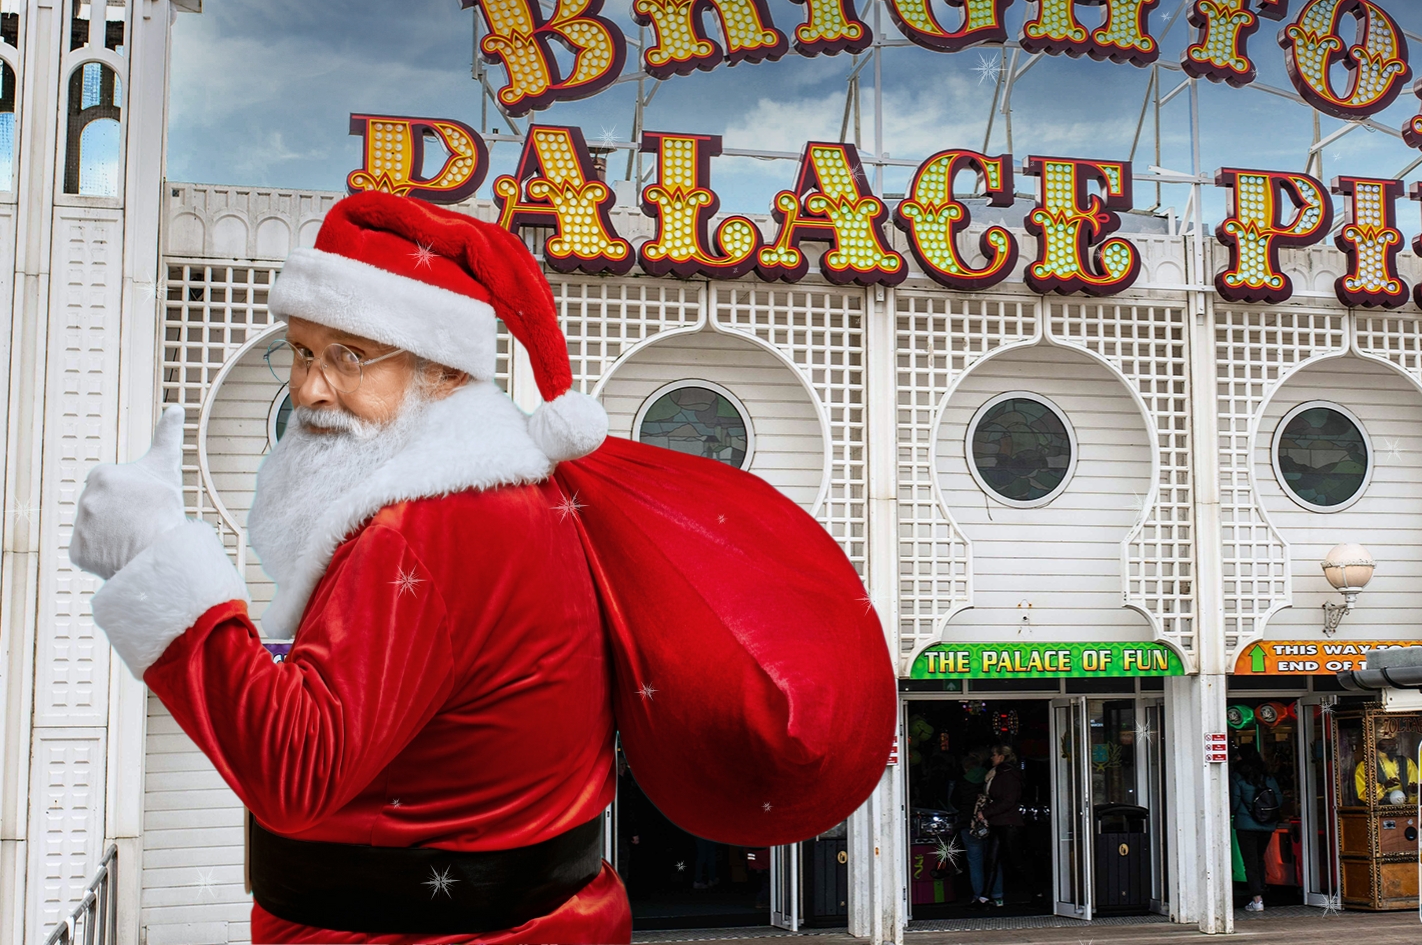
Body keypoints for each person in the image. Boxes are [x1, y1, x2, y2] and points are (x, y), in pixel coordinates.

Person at [70, 192, 896, 943]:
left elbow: (300, 767)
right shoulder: (509, 498)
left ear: (443, 369)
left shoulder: (424, 530)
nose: (311, 390)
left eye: (351, 356)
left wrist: (156, 556)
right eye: (300, 351)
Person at [974, 744, 1025, 908]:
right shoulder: (999, 773)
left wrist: (986, 812)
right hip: (999, 822)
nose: (991, 757)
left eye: (994, 755)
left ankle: (1037, 891)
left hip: (1008, 823)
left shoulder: (1008, 775)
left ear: (1002, 757)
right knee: (992, 860)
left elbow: (1008, 801)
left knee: (1016, 861)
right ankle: (984, 897)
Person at [1232, 748, 1282, 913]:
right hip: (1266, 825)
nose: (1236, 758)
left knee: (1250, 862)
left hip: (1245, 826)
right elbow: (1278, 799)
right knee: (1259, 859)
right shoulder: (1268, 777)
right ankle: (1261, 892)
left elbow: (1234, 802)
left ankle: (1257, 899)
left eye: (1238, 755)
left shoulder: (1238, 777)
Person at [951, 750, 997, 905]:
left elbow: (954, 801)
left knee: (975, 861)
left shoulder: (962, 783)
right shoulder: (990, 778)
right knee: (994, 860)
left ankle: (978, 896)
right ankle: (997, 895)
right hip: (990, 823)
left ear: (966, 768)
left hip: (968, 824)